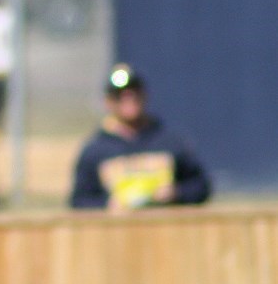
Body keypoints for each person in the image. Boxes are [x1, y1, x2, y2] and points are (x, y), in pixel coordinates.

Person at [69, 63, 211, 210]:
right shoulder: (96, 151)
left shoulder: (170, 142)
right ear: (109, 102)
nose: (129, 99)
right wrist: (108, 205)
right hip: (118, 230)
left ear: (144, 95)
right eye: (120, 96)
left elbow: (201, 186)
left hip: (164, 227)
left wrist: (176, 193)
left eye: (134, 93)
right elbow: (80, 201)